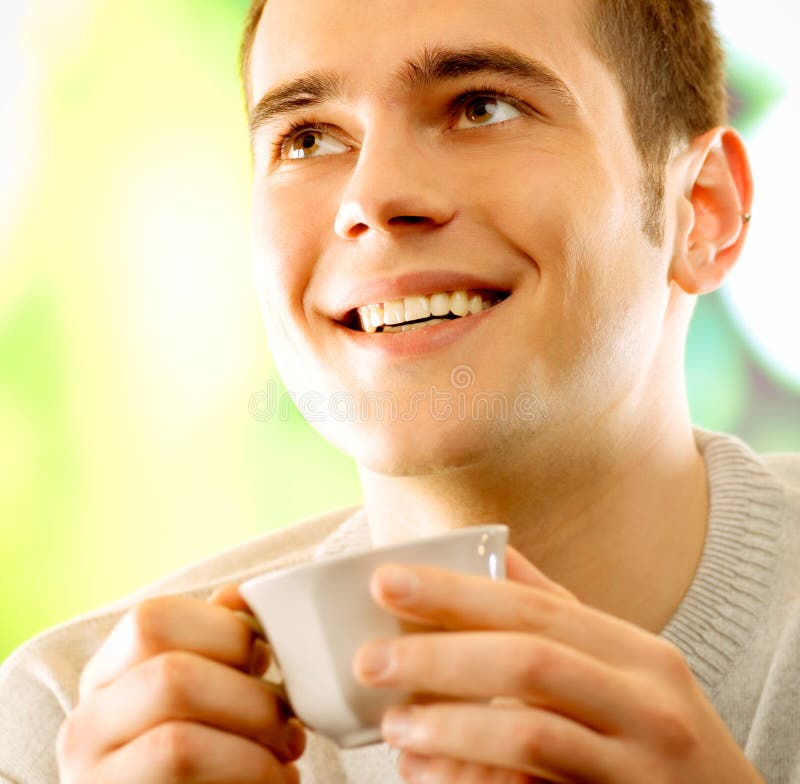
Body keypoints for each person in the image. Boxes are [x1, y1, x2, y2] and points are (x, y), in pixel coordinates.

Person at [1, 0, 798, 781]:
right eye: (308, 138)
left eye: (482, 106)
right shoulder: (71, 722)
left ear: (704, 212)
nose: (371, 199)